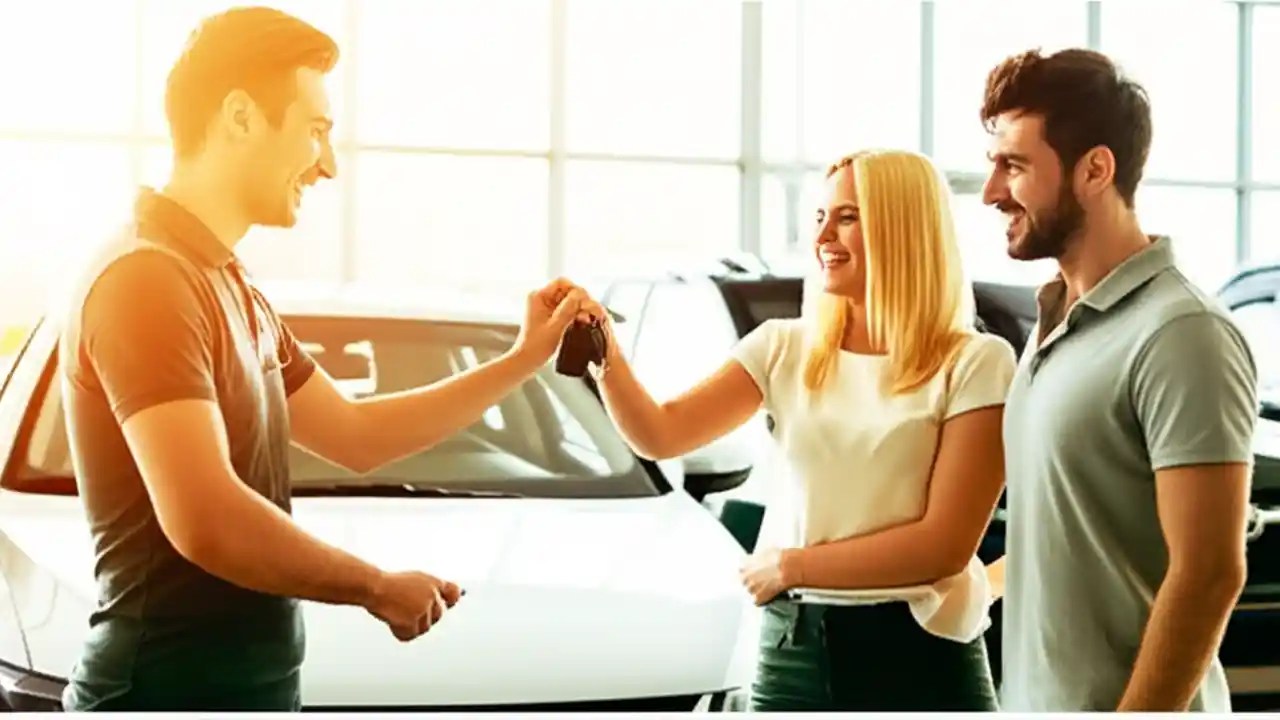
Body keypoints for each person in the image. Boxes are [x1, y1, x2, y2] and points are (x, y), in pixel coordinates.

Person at [57, 7, 592, 712]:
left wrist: (524, 359)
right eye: (315, 131)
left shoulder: (225, 280)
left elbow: (356, 435)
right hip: (163, 691)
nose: (329, 165)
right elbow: (205, 519)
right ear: (241, 117)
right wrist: (375, 587)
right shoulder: (146, 281)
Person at [577, 148, 1017, 711]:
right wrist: (602, 348)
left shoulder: (976, 361)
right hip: (793, 651)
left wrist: (792, 565)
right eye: (819, 217)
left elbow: (942, 549)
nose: (824, 235)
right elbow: (659, 434)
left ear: (904, 229)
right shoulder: (781, 347)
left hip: (922, 657)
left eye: (849, 217)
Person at [980, 47, 1257, 712]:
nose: (991, 192)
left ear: (1095, 169)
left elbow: (1209, 573)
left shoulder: (1182, 333)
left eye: (1014, 165)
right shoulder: (1051, 322)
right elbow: (1069, 539)